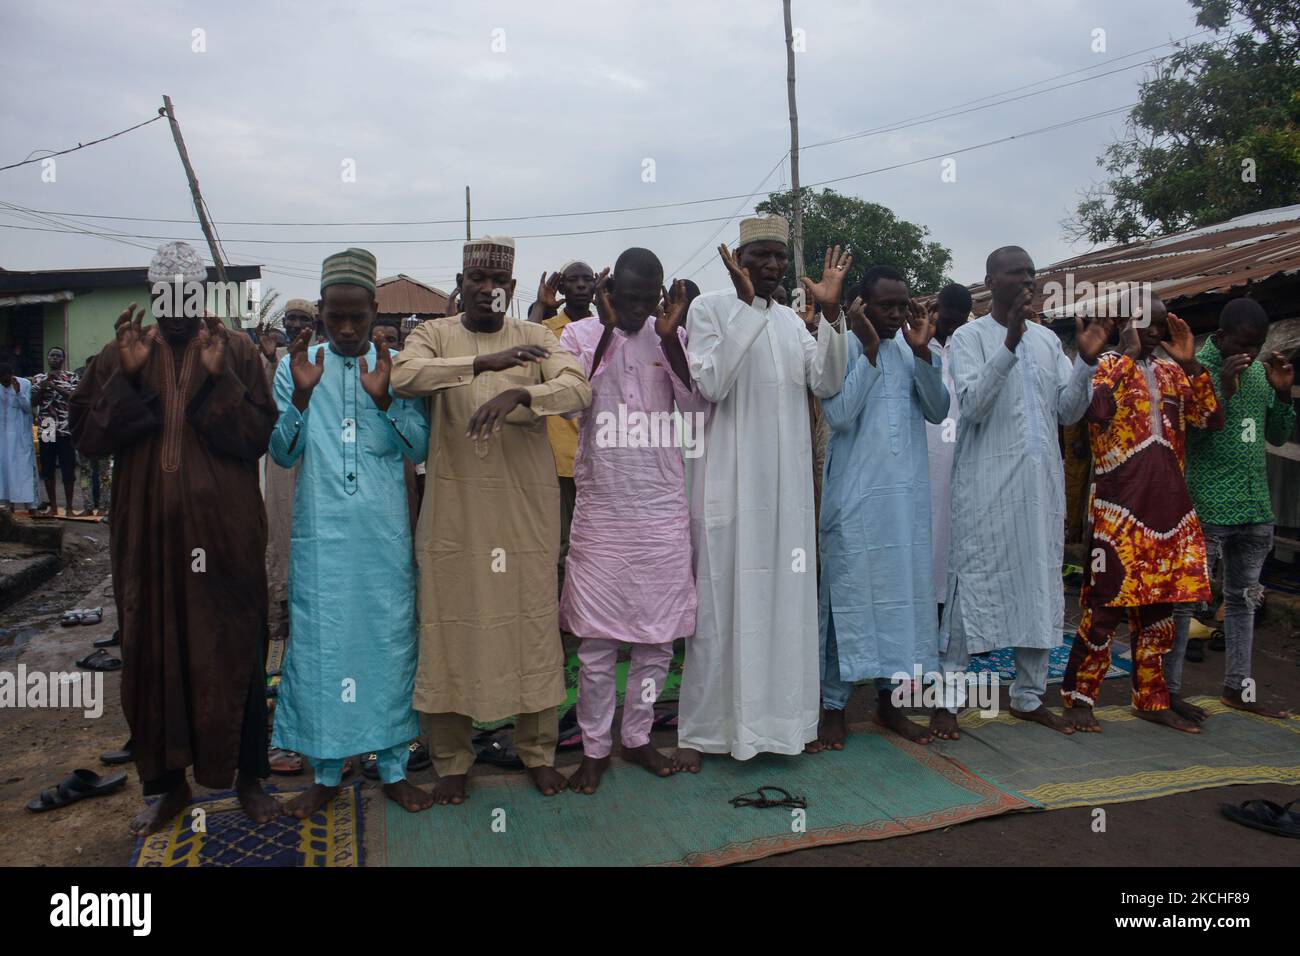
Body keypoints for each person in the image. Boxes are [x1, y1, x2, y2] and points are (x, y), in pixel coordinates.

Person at [69, 240, 280, 835]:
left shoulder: (234, 349)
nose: (178, 305)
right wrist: (128, 380)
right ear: (154, 292)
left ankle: (249, 778)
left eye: (189, 292)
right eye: (167, 293)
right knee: (151, 651)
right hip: (149, 543)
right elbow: (87, 435)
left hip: (224, 538)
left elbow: (255, 437)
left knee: (234, 645)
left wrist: (218, 381)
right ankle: (164, 787)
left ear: (204, 291)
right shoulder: (122, 352)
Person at [391, 236, 591, 804]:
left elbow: (579, 387)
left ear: (512, 286)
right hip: (454, 514)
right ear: (461, 281)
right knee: (450, 624)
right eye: (475, 279)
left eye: (496, 281)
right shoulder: (433, 334)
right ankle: (453, 760)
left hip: (523, 512)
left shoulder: (533, 336)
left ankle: (538, 752)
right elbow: (405, 376)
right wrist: (480, 364)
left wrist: (523, 395)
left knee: (530, 623)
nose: (486, 289)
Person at [674, 217, 850, 770]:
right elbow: (711, 384)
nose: (773, 267)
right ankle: (707, 732)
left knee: (782, 607)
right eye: (762, 257)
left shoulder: (794, 324)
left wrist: (832, 316)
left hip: (787, 493)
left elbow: (827, 382)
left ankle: (780, 727)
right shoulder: (711, 312)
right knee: (725, 605)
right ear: (739, 261)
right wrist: (749, 309)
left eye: (779, 258)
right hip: (728, 482)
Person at [269, 248, 431, 816]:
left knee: (388, 646)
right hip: (323, 541)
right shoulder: (296, 366)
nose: (344, 328)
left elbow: (419, 448)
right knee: (323, 649)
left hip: (383, 537)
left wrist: (386, 398)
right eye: (333, 316)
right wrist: (304, 396)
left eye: (355, 317)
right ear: (317, 312)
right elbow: (283, 454)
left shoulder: (399, 365)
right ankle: (328, 771)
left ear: (373, 311)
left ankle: (392, 768)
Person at [930, 246, 1113, 741]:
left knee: (1038, 585)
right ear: (991, 281)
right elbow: (971, 406)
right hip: (987, 489)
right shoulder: (969, 338)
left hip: (1040, 491)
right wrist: (1008, 344)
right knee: (974, 584)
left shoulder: (1048, 342)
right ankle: (946, 701)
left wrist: (1086, 364)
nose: (1028, 281)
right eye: (1018, 273)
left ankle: (1028, 696)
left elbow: (1068, 413)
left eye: (1033, 273)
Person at [558, 250, 708, 794]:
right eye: (629, 297)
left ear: (662, 294)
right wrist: (609, 331)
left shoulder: (672, 338)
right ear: (609, 290)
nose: (641, 308)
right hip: (601, 510)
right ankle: (595, 747)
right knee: (596, 644)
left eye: (650, 298)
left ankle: (638, 737)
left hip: (661, 509)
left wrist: (669, 341)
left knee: (657, 641)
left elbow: (697, 413)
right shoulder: (579, 337)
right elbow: (571, 401)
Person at [1061, 300, 1223, 732]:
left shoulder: (1173, 372)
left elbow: (1211, 420)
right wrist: (1127, 356)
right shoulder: (1107, 364)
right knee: (1104, 610)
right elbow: (1091, 413)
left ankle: (1152, 700)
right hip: (1118, 512)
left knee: (1159, 613)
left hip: (1168, 512)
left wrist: (1192, 366)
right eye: (1143, 323)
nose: (1152, 331)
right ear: (1126, 325)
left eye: (1159, 324)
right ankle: (1079, 698)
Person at [813, 267, 950, 751]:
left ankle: (890, 705)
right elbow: (840, 415)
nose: (895, 315)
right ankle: (833, 707)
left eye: (901, 305)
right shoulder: (844, 347)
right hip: (854, 503)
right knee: (846, 603)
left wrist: (921, 353)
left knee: (902, 607)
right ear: (860, 306)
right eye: (885, 306)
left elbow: (938, 411)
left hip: (905, 506)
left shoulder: (913, 351)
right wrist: (869, 351)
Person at [1167, 298, 1295, 718]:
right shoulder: (1191, 369)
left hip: (1255, 506)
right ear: (1220, 338)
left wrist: (1283, 395)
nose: (1250, 354)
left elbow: (1276, 435)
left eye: (1257, 345)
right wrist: (1219, 385)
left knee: (1244, 601)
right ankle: (1170, 692)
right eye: (1243, 344)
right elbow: (1190, 436)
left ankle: (1239, 688)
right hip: (1206, 505)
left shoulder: (1259, 373)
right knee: (1186, 602)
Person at [529, 261, 602, 600]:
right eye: (573, 280)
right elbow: (526, 366)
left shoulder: (607, 325)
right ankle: (562, 622)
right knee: (559, 541)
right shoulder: (545, 329)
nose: (581, 286)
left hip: (600, 450)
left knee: (597, 541)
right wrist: (541, 307)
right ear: (561, 288)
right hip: (557, 454)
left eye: (588, 280)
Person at [924, 283, 971, 615]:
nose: (950, 327)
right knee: (927, 526)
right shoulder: (910, 340)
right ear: (935, 308)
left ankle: (950, 609)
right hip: (923, 450)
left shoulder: (968, 344)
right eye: (947, 319)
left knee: (955, 530)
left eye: (958, 322)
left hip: (961, 452)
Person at [32, 346, 79, 516]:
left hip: (66, 426)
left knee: (68, 467)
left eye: (58, 356)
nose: (54, 358)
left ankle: (69, 507)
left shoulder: (72, 377)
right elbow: (33, 402)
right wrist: (44, 386)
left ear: (63, 359)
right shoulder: (39, 378)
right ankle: (52, 506)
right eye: (51, 355)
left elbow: (73, 398)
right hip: (47, 425)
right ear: (47, 358)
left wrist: (54, 385)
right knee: (48, 467)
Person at [0, 362, 36, 512]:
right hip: (2, 436)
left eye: (6, 378)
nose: (4, 382)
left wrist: (19, 392)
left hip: (21, 436)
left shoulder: (25, 384)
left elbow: (28, 409)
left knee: (23, 470)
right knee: (5, 470)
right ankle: (8, 505)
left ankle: (31, 505)